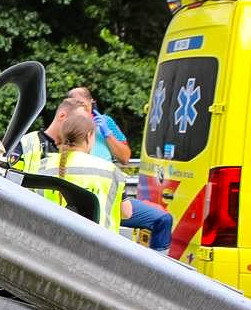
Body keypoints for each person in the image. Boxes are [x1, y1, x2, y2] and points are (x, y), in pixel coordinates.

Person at [68, 87, 174, 254]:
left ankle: (159, 270)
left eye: (82, 103)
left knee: (163, 219)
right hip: (82, 196)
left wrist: (108, 134)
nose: (79, 108)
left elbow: (125, 157)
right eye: (74, 103)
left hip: (110, 191)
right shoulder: (67, 125)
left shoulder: (106, 122)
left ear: (91, 103)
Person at [36, 111, 127, 232]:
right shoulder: (110, 171)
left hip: (50, 241)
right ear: (89, 136)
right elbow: (127, 212)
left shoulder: (44, 166)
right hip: (99, 245)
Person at [11, 97, 87, 173]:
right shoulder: (28, 144)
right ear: (62, 116)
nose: (79, 128)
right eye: (76, 122)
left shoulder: (77, 154)